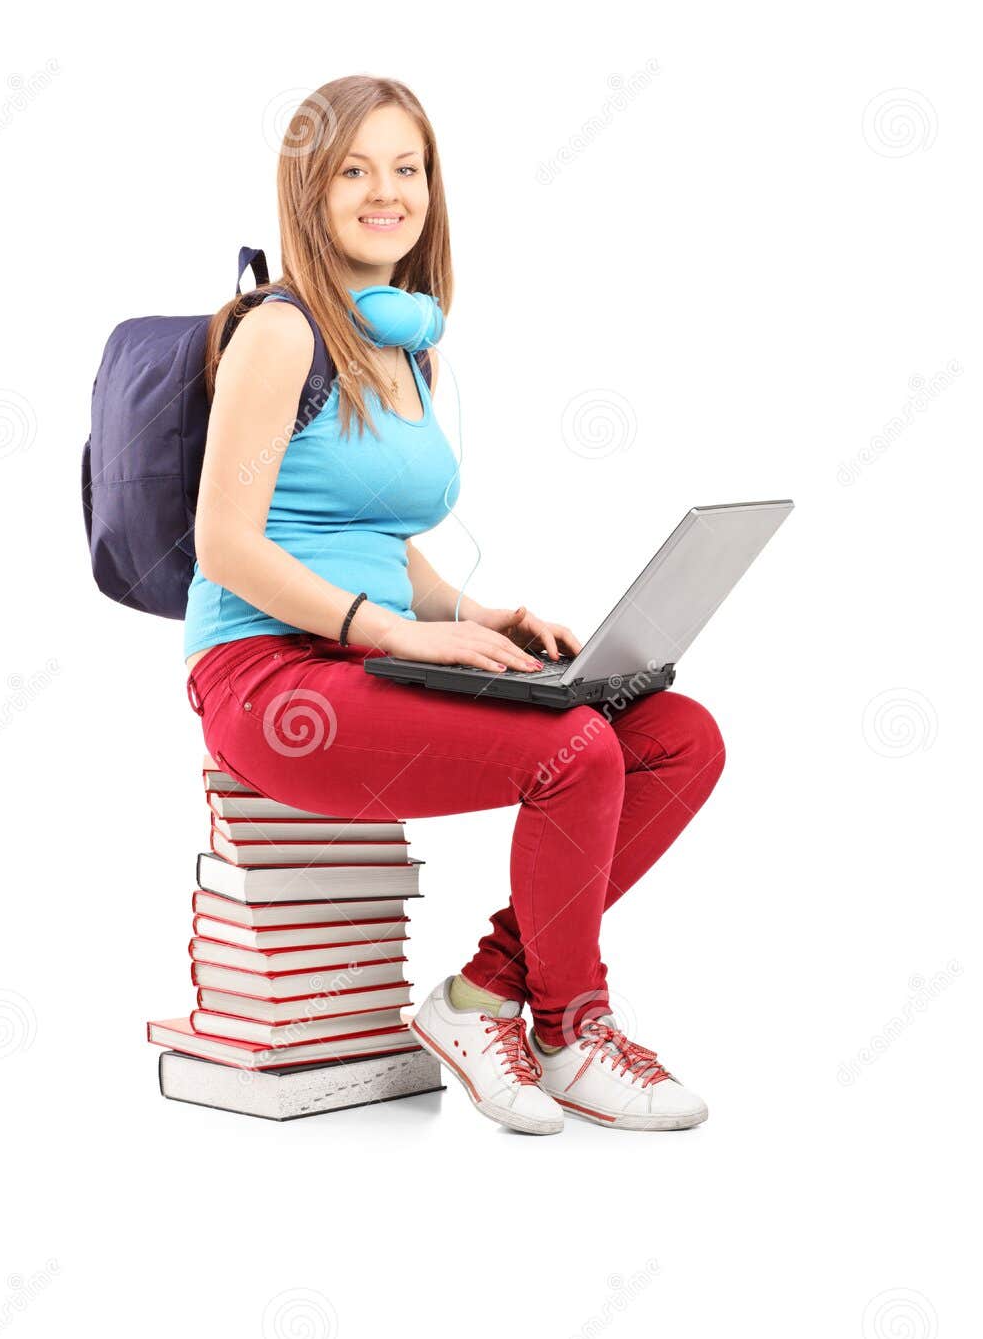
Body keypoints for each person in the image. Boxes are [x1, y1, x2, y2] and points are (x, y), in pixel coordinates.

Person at [184, 74, 725, 1138]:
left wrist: (481, 614)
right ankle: (568, 1030)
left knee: (675, 735)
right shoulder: (279, 334)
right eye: (354, 170)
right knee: (572, 748)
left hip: (373, 660)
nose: (386, 192)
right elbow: (225, 542)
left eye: (407, 167)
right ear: (307, 188)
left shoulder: (406, 339)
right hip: (270, 680)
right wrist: (391, 629)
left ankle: (478, 998)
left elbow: (385, 538)